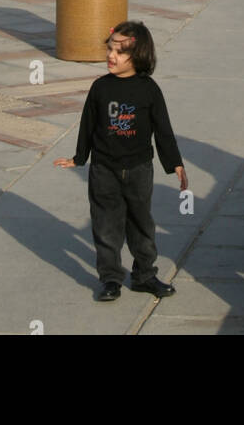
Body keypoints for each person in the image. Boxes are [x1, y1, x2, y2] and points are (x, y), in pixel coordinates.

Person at [54, 22, 188, 302]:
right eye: (110, 48)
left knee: (141, 223)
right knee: (106, 225)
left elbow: (162, 128)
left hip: (139, 168)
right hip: (104, 169)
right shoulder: (100, 88)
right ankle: (111, 279)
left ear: (139, 56)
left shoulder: (149, 90)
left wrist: (174, 162)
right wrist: (79, 158)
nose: (111, 55)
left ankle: (144, 276)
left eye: (120, 51)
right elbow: (88, 125)